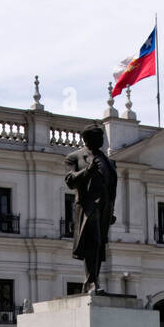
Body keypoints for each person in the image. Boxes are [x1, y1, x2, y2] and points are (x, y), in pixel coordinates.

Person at [64, 123, 117, 294]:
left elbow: (111, 185)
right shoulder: (75, 157)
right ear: (87, 139)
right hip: (87, 206)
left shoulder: (108, 161)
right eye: (98, 137)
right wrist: (88, 171)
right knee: (92, 242)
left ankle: (93, 281)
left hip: (104, 207)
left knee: (99, 245)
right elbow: (70, 181)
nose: (102, 140)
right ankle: (90, 282)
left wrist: (112, 210)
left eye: (102, 136)